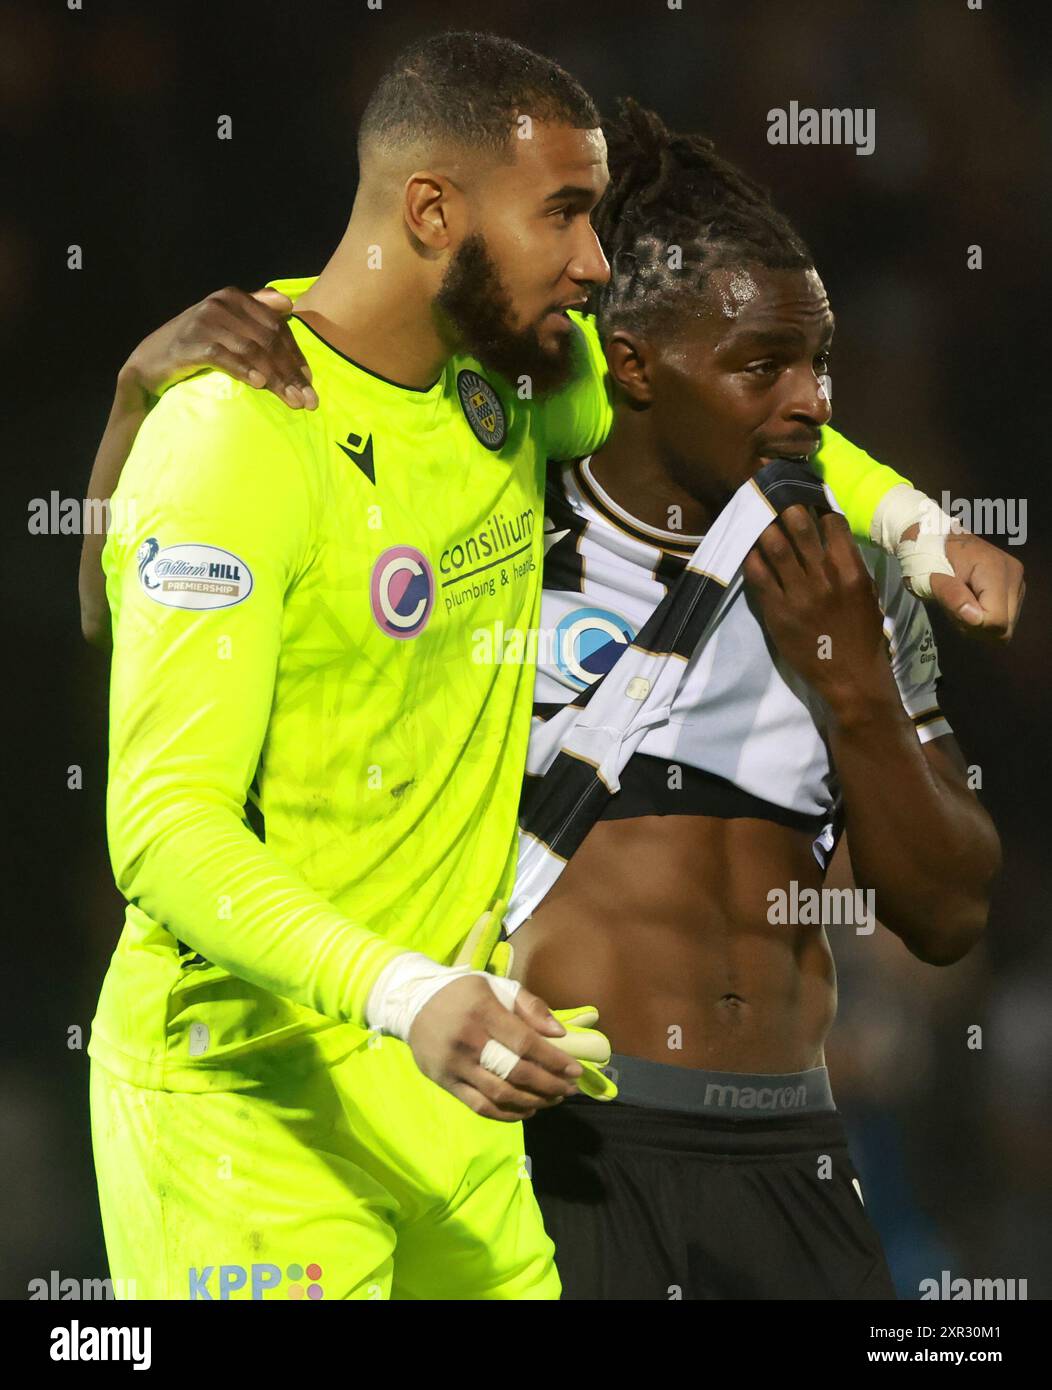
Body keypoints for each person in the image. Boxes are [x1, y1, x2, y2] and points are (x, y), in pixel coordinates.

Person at [80, 51, 1021, 1301]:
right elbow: (156, 816)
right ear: (432, 213)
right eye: (564, 215)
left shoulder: (512, 398)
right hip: (253, 1093)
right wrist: (134, 409)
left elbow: (742, 386)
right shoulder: (234, 428)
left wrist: (909, 522)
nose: (591, 265)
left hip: (456, 1093)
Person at [508, 101, 1004, 1299]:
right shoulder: (502, 536)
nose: (813, 402)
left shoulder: (850, 576)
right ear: (629, 365)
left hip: (796, 1160)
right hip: (556, 1151)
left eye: (818, 358)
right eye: (760, 364)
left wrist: (856, 689)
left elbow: (944, 912)